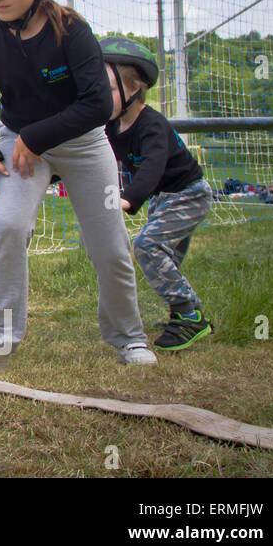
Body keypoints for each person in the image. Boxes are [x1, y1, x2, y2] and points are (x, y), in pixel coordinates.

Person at [0, 0, 153, 369]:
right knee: (6, 226)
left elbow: (98, 104)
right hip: (20, 145)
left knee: (109, 243)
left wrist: (35, 136)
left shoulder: (72, 30)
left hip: (82, 144)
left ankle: (129, 339)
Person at [102, 36, 213, 350]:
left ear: (134, 88)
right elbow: (95, 156)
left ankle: (191, 315)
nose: (99, 96)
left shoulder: (152, 125)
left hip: (188, 194)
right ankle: (182, 317)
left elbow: (152, 165)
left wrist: (130, 197)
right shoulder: (112, 126)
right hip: (165, 197)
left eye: (108, 89)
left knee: (148, 246)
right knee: (167, 260)